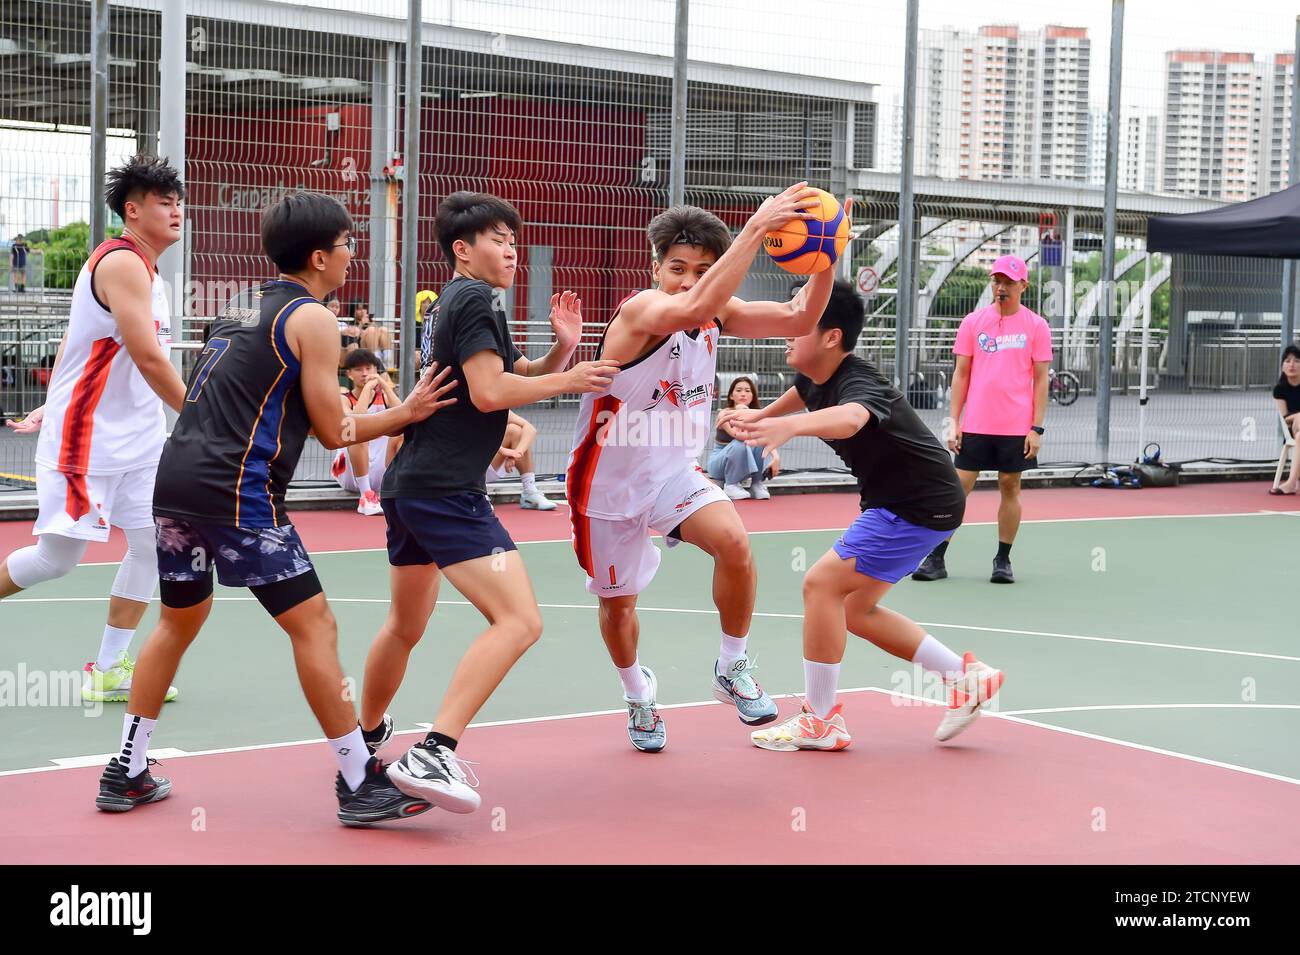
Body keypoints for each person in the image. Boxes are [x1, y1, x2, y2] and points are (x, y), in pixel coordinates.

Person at [92, 191, 458, 826]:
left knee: (177, 622)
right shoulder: (312, 320)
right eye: (347, 245)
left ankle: (125, 770)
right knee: (314, 627)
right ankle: (358, 781)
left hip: (175, 482)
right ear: (320, 256)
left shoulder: (239, 305)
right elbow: (332, 431)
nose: (352, 256)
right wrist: (406, 412)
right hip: (235, 492)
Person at [358, 192, 618, 812]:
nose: (510, 250)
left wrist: (560, 351)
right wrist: (575, 378)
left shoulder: (458, 301)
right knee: (520, 620)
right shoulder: (473, 298)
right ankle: (434, 750)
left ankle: (361, 744)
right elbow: (489, 392)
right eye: (497, 239)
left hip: (412, 487)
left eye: (512, 240)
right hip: (445, 490)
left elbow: (507, 375)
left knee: (405, 626)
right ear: (462, 249)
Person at [566, 185, 844, 753]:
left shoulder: (719, 312)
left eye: (702, 270)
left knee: (735, 544)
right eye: (677, 268)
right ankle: (637, 693)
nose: (689, 281)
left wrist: (824, 254)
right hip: (607, 487)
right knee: (619, 610)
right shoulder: (641, 310)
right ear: (655, 267)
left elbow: (798, 317)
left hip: (673, 472)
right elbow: (689, 307)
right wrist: (757, 225)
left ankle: (731, 666)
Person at [726, 280, 1004, 751]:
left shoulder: (859, 382)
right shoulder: (813, 376)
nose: (788, 328)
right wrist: (751, 421)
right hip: (913, 500)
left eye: (800, 318)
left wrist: (790, 427)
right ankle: (965, 677)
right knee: (853, 609)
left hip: (915, 502)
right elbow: (791, 405)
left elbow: (852, 417)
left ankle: (821, 721)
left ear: (832, 336)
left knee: (820, 585)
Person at [0, 155, 187, 704]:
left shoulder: (152, 273)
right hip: (87, 445)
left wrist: (46, 400)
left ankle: (108, 667)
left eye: (177, 201)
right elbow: (149, 359)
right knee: (55, 560)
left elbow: (77, 343)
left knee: (155, 546)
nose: (176, 211)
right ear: (132, 211)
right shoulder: (122, 263)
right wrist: (201, 419)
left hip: (141, 441)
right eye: (162, 202)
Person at [912, 255, 1051, 584]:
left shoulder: (1036, 326)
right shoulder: (973, 322)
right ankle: (937, 557)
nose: (1001, 287)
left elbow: (1042, 379)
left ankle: (1002, 559)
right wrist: (953, 421)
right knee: (957, 488)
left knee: (1010, 485)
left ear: (1023, 286)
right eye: (996, 281)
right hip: (975, 423)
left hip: (1017, 426)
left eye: (1008, 282)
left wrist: (1036, 428)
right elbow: (960, 375)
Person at [331, 348, 401, 515]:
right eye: (358, 369)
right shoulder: (344, 398)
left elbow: (402, 414)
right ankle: (366, 496)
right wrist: (367, 390)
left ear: (376, 370)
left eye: (368, 368)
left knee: (401, 432)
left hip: (380, 467)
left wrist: (385, 385)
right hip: (351, 473)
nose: (364, 373)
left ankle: (392, 490)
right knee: (359, 431)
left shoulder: (385, 396)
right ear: (349, 374)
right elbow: (356, 421)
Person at [708, 376, 779, 500]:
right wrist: (742, 411)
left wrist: (776, 457)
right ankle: (731, 485)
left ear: (753, 396)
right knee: (741, 443)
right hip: (719, 465)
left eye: (747, 391)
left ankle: (757, 484)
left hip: (743, 462)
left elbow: (766, 439)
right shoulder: (724, 414)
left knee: (760, 443)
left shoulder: (759, 416)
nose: (743, 394)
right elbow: (739, 436)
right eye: (739, 390)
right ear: (731, 395)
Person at [485, 410, 558, 510]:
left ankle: (530, 492)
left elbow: (530, 429)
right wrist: (502, 451)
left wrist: (516, 454)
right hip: (463, 470)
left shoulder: (497, 405)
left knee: (515, 430)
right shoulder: (465, 405)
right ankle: (476, 493)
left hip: (485, 467)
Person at [1271, 343, 1300, 495]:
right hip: (1292, 430)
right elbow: (1285, 418)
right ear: (1282, 365)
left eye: (1296, 360)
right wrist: (1297, 416)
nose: (1292, 364)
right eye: (1288, 361)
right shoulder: (1280, 389)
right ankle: (1291, 483)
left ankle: (1291, 483)